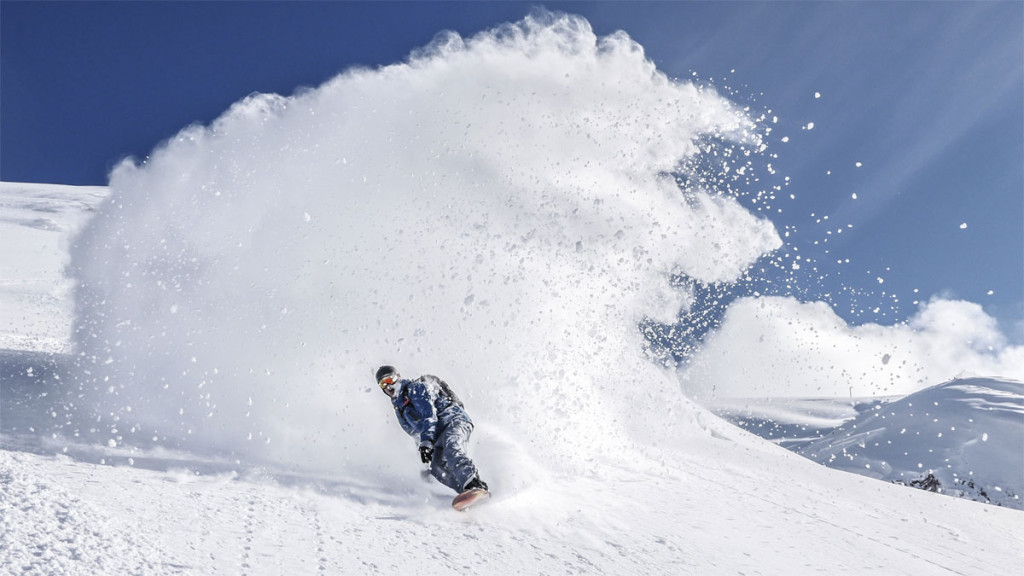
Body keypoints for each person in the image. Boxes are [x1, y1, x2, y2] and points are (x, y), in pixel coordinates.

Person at [375, 365, 488, 499]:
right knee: (437, 468)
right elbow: (417, 435)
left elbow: (429, 416)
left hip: (453, 420)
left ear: (398, 377)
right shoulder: (400, 410)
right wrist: (425, 460)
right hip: (437, 435)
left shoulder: (415, 388)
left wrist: (427, 442)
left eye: (389, 380)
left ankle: (474, 483)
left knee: (451, 446)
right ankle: (467, 493)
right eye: (383, 384)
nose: (388, 387)